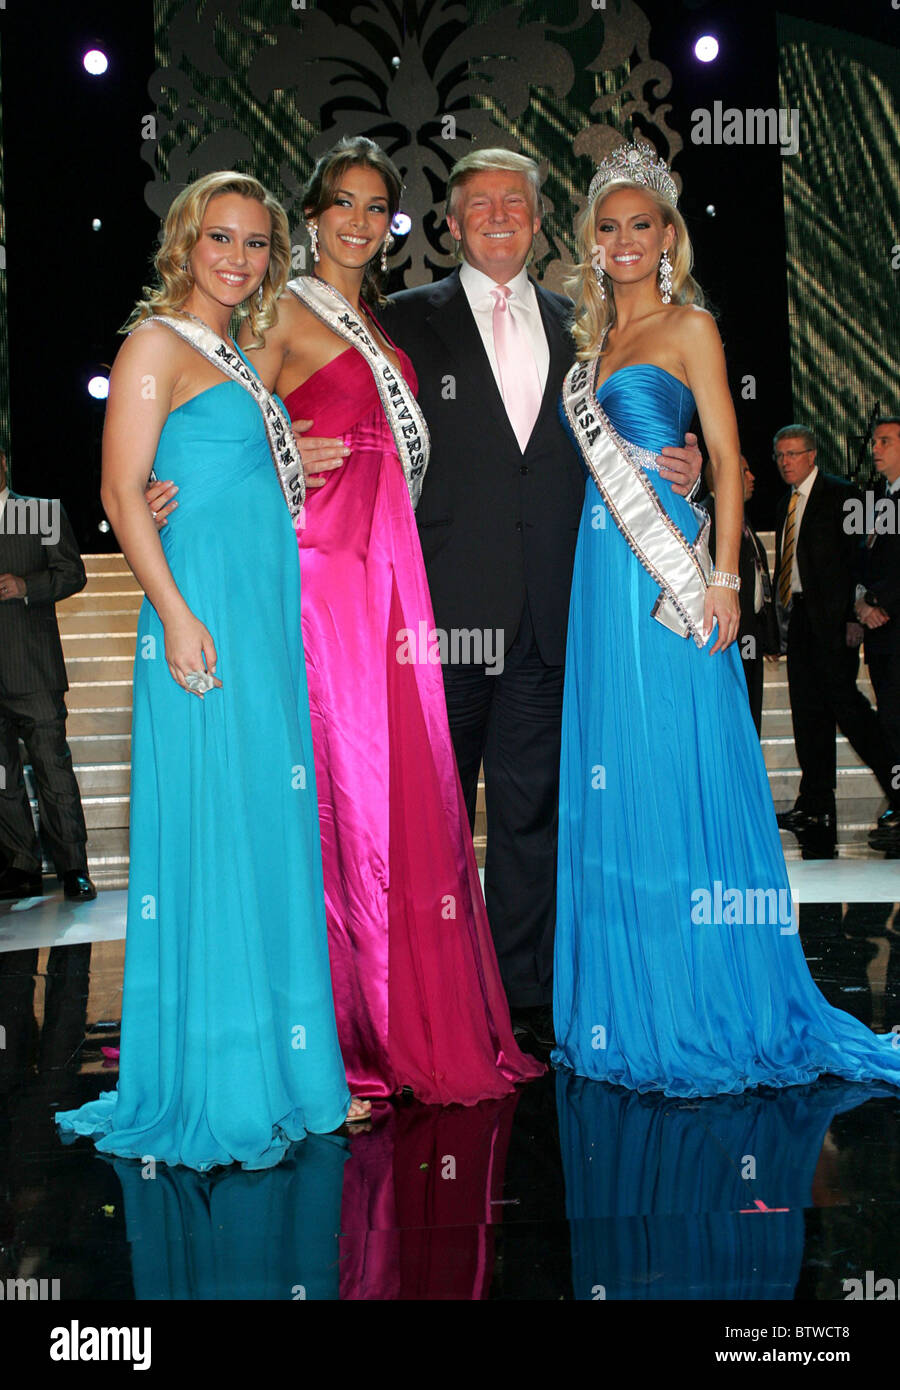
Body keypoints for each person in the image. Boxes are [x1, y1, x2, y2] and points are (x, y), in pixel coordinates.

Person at [152, 139, 543, 1106]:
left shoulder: (378, 319)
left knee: (403, 789)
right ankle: (347, 1031)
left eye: (378, 208)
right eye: (343, 205)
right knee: (350, 793)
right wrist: (174, 488)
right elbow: (214, 409)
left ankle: (400, 1008)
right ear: (313, 215)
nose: (360, 223)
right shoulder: (278, 311)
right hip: (325, 575)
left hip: (393, 573)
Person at [551, 139, 900, 1096]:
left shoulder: (689, 325)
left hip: (665, 565)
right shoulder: (593, 349)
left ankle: (700, 995)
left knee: (676, 753)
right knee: (616, 762)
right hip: (599, 566)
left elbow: (727, 456)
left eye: (642, 224)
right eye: (609, 226)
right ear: (595, 240)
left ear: (668, 236)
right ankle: (628, 1000)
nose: (624, 240)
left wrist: (719, 576)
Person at [56, 171, 370, 1171]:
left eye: (256, 245)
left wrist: (296, 464)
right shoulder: (156, 342)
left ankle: (294, 1077)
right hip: (204, 616)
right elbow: (119, 488)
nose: (238, 259)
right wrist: (178, 615)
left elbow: (221, 471)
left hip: (262, 613)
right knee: (223, 832)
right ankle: (226, 1082)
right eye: (220, 239)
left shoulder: (236, 355)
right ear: (186, 243)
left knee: (269, 831)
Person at [379, 149, 703, 1049]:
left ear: (538, 219)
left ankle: (522, 995)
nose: (497, 215)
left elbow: (646, 424)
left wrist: (696, 459)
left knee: (530, 814)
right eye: (478, 203)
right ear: (450, 223)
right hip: (442, 614)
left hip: (552, 613)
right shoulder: (402, 321)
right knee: (434, 808)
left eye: (514, 202)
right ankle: (431, 992)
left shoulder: (584, 327)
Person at [771, 424, 899, 842]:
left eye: (793, 454)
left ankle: (896, 788)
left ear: (812, 456)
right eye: (780, 455)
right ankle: (815, 805)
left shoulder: (844, 495)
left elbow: (857, 562)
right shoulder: (785, 503)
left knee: (850, 711)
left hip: (834, 623)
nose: (786, 462)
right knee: (808, 714)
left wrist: (852, 618)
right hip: (801, 621)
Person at [0, 448, 96, 902]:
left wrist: (26, 587)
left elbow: (73, 573)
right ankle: (20, 865)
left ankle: (73, 867)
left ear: (2, 462)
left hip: (32, 669)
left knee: (52, 770)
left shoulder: (38, 512)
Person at [701, 454, 777, 733]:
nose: (752, 477)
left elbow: (759, 581)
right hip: (726, 636)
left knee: (750, 715)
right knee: (733, 718)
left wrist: (768, 637)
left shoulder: (743, 523)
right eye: (744, 471)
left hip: (750, 634)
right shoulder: (705, 518)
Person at [855, 416, 900, 854]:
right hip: (882, 638)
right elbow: (865, 564)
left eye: (885, 441)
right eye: (875, 442)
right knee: (890, 720)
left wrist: (878, 602)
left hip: (894, 625)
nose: (876, 448)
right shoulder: (879, 501)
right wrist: (861, 604)